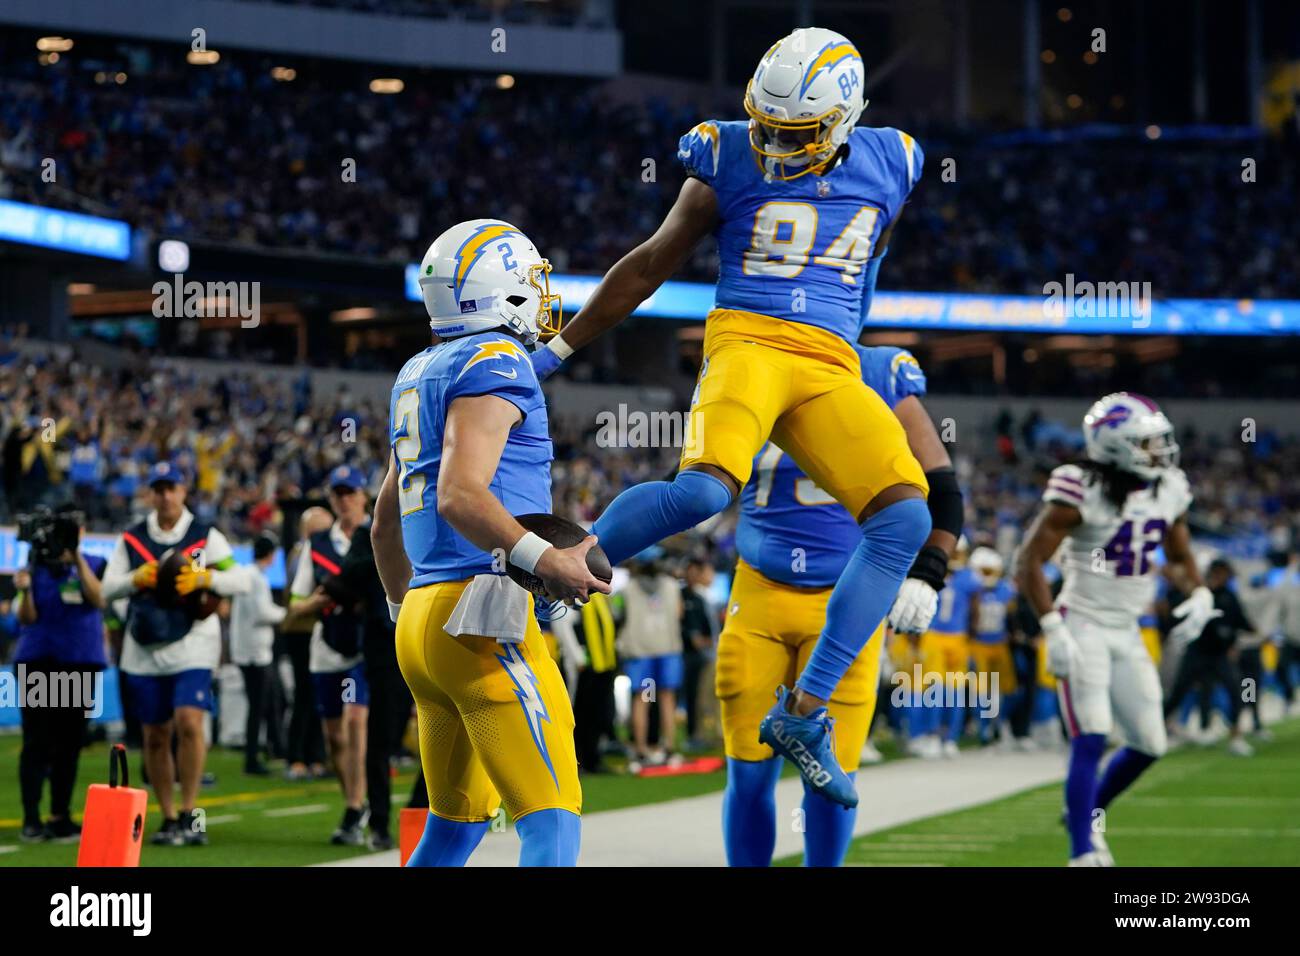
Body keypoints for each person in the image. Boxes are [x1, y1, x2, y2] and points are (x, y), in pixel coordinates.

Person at [528, 27, 931, 806]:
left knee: (903, 522)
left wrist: (850, 334)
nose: (774, 144)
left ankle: (805, 714)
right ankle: (555, 570)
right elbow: (649, 263)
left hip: (828, 359)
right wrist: (559, 349)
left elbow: (871, 256)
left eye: (796, 132)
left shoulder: (895, 160)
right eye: (766, 125)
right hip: (747, 335)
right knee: (705, 494)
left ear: (846, 120)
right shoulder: (726, 154)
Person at [370, 219, 609, 867]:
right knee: (551, 823)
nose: (540, 292)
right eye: (530, 280)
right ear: (495, 292)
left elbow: (383, 525)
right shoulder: (494, 360)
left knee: (453, 830)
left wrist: (407, 616)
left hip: (422, 617)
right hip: (484, 614)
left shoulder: (419, 371)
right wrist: (545, 558)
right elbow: (459, 494)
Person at [718, 345, 961, 866]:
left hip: (850, 603)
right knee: (748, 771)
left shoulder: (879, 370)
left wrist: (930, 571)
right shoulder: (748, 355)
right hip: (759, 593)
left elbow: (942, 485)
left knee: (833, 778)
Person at [1015, 393, 1218, 866]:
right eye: (1147, 444)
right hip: (1081, 621)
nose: (1160, 452)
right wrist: (1052, 627)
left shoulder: (1168, 488)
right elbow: (1028, 562)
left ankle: (1085, 814)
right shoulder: (1078, 487)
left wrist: (1199, 592)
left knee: (1150, 743)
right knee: (1093, 733)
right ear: (1116, 447)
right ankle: (1082, 852)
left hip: (1126, 629)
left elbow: (1182, 552)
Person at [101, 461, 250, 846]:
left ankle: (190, 812)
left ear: (184, 492)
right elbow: (105, 589)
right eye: (159, 488)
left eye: (172, 488)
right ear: (150, 494)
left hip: (194, 644)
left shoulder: (205, 537)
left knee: (189, 722)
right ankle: (167, 816)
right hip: (145, 648)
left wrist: (207, 577)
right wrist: (136, 577)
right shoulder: (131, 540)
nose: (166, 495)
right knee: (154, 734)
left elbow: (243, 579)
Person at [284, 465, 371, 845]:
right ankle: (354, 800)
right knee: (334, 735)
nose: (344, 500)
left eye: (350, 492)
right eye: (338, 494)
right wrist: (320, 600)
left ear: (363, 496)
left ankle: (356, 807)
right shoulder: (316, 545)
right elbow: (295, 603)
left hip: (366, 646)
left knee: (355, 721)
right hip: (327, 646)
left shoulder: (379, 534)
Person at [13, 509, 107, 842]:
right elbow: (27, 618)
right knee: (37, 741)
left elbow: (98, 598)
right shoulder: (36, 565)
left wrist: (76, 558)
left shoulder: (94, 562)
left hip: (77, 661)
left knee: (69, 743)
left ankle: (60, 815)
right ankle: (31, 818)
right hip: (41, 661)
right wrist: (24, 589)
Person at [1163, 559, 1258, 756]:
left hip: (1219, 654)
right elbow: (1177, 611)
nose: (1220, 577)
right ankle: (1158, 731)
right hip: (1197, 651)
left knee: (1236, 691)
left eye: (1224, 573)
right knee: (1178, 693)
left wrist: (1252, 631)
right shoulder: (1200, 594)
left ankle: (1235, 736)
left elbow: (1239, 619)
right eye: (1217, 572)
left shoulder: (1230, 597)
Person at [616, 548, 684, 769]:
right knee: (666, 699)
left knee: (643, 700)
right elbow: (679, 614)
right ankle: (669, 748)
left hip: (641, 651)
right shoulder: (673, 587)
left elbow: (616, 616)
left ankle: (641, 750)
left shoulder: (627, 590)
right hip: (667, 649)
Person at [229, 531, 285, 775]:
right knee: (258, 706)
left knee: (267, 703)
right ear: (270, 555)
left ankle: (272, 748)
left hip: (247, 651)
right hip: (255, 654)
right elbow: (262, 613)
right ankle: (252, 759)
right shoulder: (257, 579)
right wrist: (287, 614)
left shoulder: (248, 575)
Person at [282, 506, 331, 780]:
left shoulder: (303, 551)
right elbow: (299, 592)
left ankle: (314, 757)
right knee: (304, 694)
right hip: (301, 628)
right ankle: (297, 757)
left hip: (312, 627)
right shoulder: (302, 553)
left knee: (315, 696)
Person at [966, 547, 1019, 746]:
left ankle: (998, 725)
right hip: (978, 644)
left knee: (1002, 690)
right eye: (983, 571)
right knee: (979, 692)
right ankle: (983, 728)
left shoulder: (1006, 590)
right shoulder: (972, 589)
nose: (986, 576)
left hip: (999, 644)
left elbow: (1012, 618)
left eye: (990, 571)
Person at [679, 556, 719, 748]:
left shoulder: (704, 596)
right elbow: (694, 637)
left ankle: (706, 735)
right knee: (697, 697)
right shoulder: (686, 596)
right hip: (696, 656)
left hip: (708, 654)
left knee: (706, 697)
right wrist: (709, 644)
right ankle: (695, 736)